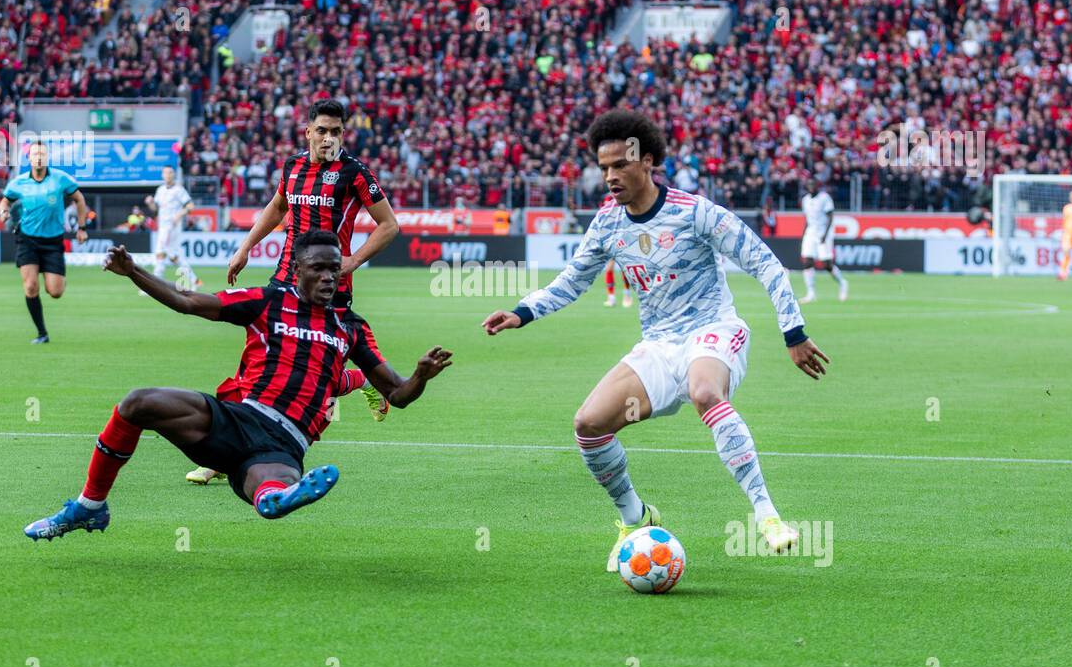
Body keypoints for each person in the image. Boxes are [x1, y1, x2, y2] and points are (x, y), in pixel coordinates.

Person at [482, 109, 830, 570]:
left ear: (647, 161)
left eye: (619, 165)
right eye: (603, 167)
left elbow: (766, 262)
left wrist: (794, 332)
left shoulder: (695, 212)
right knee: (588, 424)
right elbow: (571, 281)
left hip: (713, 329)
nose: (609, 176)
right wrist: (522, 312)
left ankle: (766, 514)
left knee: (705, 390)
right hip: (660, 345)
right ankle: (634, 517)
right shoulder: (607, 223)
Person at [22, 230, 452, 540]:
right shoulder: (267, 302)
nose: (328, 278)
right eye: (318, 269)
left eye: (334, 270)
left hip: (283, 444)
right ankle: (89, 507)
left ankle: (278, 496)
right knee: (137, 403)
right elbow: (190, 302)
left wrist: (420, 377)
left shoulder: (351, 327)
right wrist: (134, 272)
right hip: (235, 417)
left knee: (271, 498)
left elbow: (397, 394)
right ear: (297, 270)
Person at [191, 99, 400, 485]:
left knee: (317, 375)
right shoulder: (292, 168)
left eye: (336, 131)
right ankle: (224, 454)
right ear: (307, 132)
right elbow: (276, 208)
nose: (328, 138)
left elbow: (389, 225)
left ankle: (363, 380)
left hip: (327, 290)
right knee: (256, 365)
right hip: (284, 282)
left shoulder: (354, 173)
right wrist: (245, 247)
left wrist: (352, 262)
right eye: (322, 130)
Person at [0, 141, 90, 344]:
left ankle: (53, 278)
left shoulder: (60, 179)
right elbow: (5, 200)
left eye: (42, 154)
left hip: (53, 241)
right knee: (30, 287)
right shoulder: (18, 183)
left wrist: (82, 228)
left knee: (56, 292)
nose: (38, 157)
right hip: (27, 239)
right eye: (35, 154)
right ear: (29, 158)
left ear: (47, 158)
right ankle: (42, 333)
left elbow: (80, 199)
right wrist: (3, 211)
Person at [143, 166, 198, 289]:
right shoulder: (160, 190)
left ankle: (154, 286)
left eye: (170, 173)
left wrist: (179, 214)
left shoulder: (179, 190)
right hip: (163, 227)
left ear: (174, 175)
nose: (168, 175)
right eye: (166, 173)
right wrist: (150, 203)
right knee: (173, 256)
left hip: (172, 227)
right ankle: (194, 280)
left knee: (160, 252)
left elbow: (190, 206)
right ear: (162, 175)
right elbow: (156, 210)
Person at [799, 177, 848, 302]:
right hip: (810, 233)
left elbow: (830, 217)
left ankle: (842, 283)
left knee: (826, 264)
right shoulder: (805, 200)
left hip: (823, 233)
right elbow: (807, 219)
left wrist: (825, 235)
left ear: (817, 186)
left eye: (812, 184)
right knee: (807, 262)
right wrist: (804, 234)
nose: (810, 187)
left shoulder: (824, 198)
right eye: (808, 184)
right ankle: (811, 293)